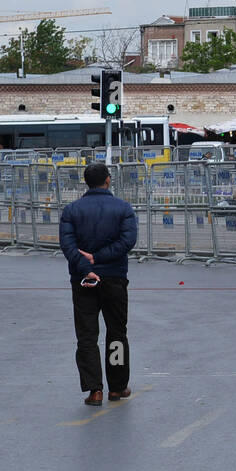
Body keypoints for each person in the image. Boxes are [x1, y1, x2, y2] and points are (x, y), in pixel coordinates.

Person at [59, 163, 139, 406]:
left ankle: (94, 390)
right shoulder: (123, 208)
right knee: (116, 332)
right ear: (108, 180)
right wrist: (101, 258)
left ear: (86, 182)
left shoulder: (71, 210)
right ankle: (117, 387)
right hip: (114, 276)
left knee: (86, 335)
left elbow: (68, 245)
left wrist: (87, 267)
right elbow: (128, 241)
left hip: (83, 280)